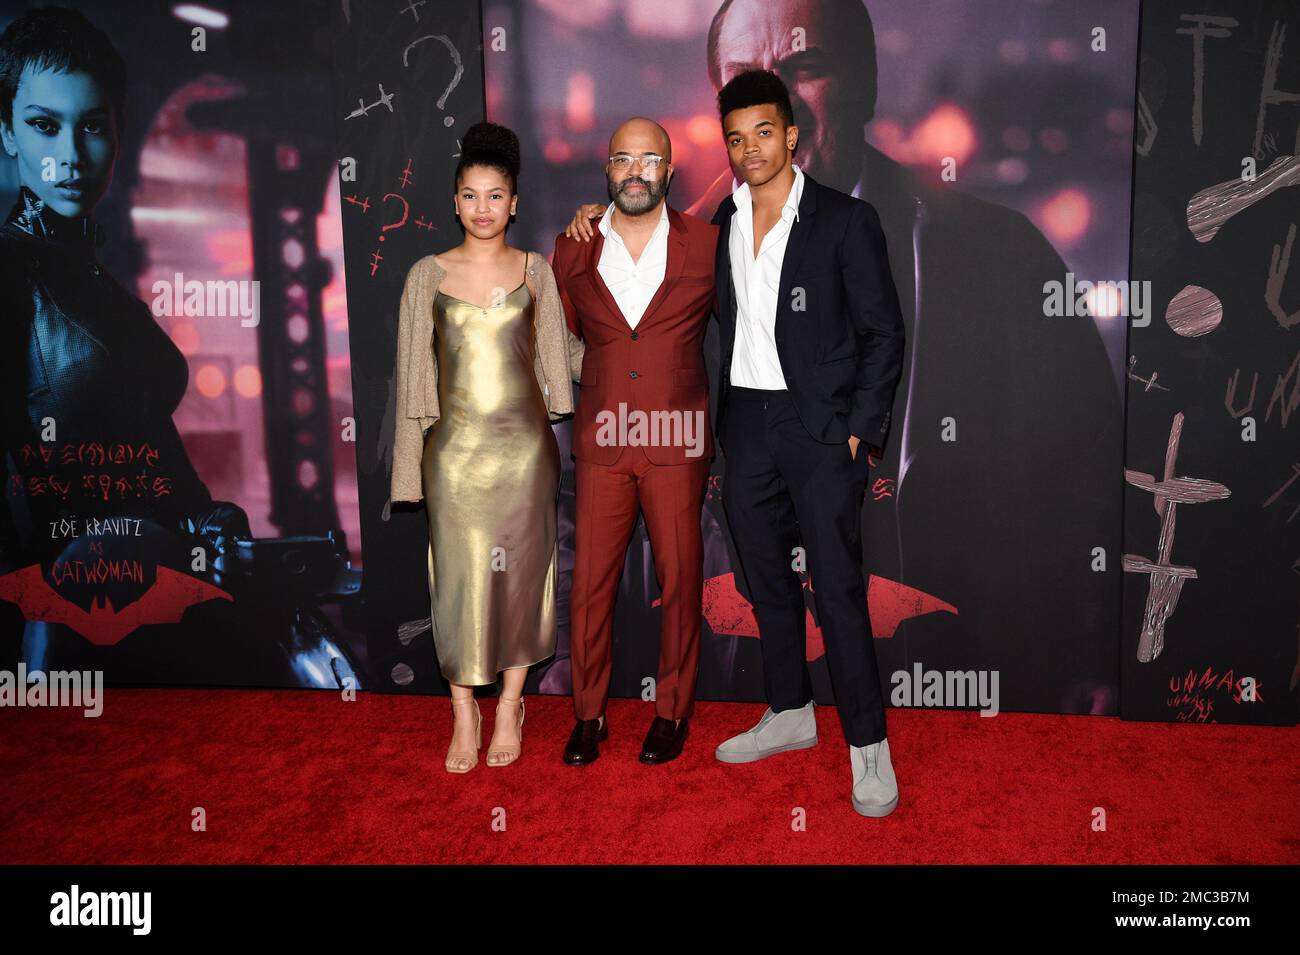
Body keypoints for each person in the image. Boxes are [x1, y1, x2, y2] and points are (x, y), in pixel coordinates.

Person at [0, 6, 256, 679]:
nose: (70, 155)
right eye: (43, 125)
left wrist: (204, 518)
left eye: (92, 126)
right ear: (5, 133)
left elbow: (154, 454)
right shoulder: (9, 272)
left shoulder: (102, 287)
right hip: (60, 623)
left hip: (149, 600)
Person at [709, 70, 905, 817]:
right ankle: (790, 710)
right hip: (746, 425)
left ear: (791, 135)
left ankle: (868, 745)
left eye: (764, 132)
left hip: (820, 431)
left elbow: (883, 333)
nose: (750, 149)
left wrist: (860, 431)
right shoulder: (722, 221)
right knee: (766, 582)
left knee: (839, 590)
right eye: (736, 138)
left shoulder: (846, 220)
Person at [388, 122, 583, 773]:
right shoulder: (427, 275)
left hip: (524, 457)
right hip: (454, 460)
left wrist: (639, 357)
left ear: (514, 203)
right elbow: (413, 381)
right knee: (459, 585)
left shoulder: (535, 271)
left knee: (523, 581)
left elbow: (563, 357)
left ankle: (509, 706)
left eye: (495, 195)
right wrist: (409, 469)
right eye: (470, 195)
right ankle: (463, 710)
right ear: (455, 201)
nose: (482, 207)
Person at [551, 118, 717, 766]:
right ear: (608, 170)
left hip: (678, 442)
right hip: (602, 441)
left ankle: (672, 712)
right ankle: (588, 714)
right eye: (623, 158)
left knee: (681, 582)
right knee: (589, 587)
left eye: (650, 159)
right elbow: (563, 343)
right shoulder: (573, 247)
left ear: (669, 171)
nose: (636, 170)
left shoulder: (708, 243)